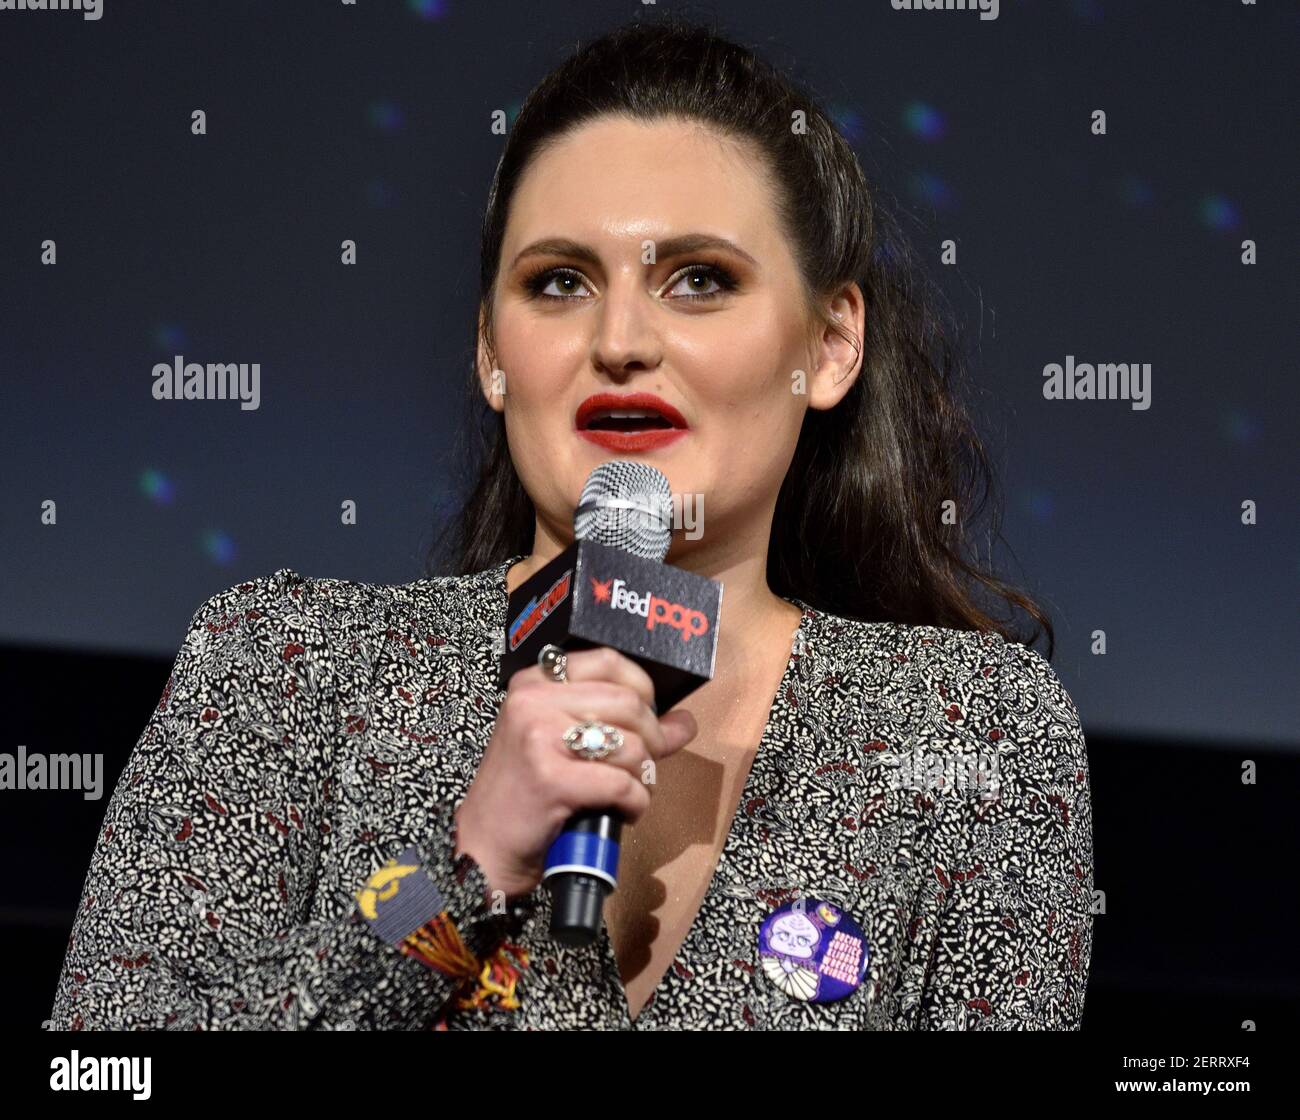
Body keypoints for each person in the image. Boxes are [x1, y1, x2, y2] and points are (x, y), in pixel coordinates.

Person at [49, 15, 1093, 1031]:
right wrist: (466, 875)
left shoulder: (971, 733)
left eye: (698, 280)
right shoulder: (285, 668)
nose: (620, 339)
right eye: (558, 282)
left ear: (827, 345)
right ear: (492, 354)